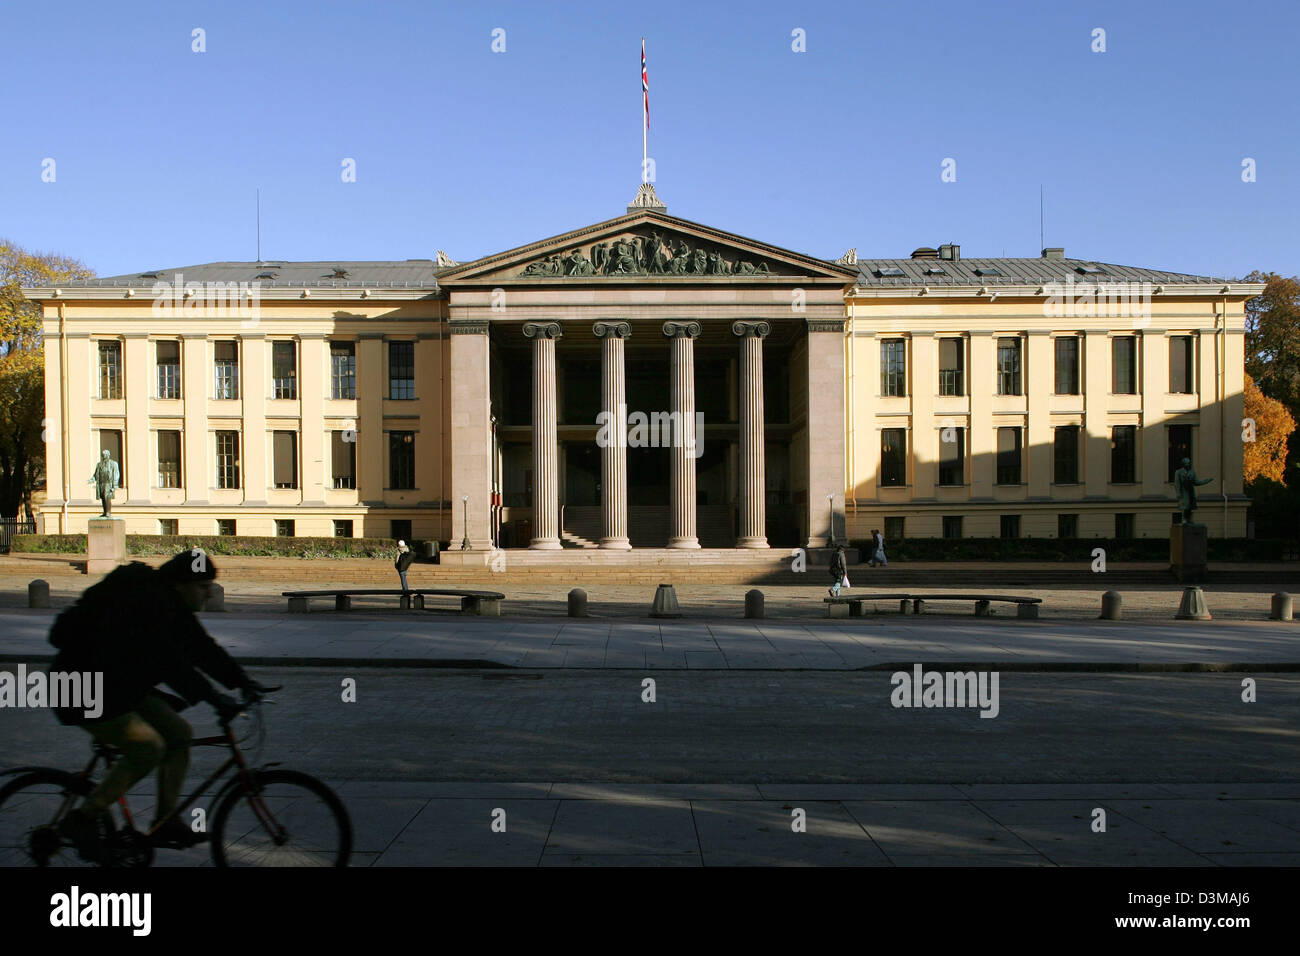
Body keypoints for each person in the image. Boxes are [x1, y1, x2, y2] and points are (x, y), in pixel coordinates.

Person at [47, 550, 264, 861]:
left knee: (178, 733)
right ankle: (83, 819)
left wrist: (242, 681)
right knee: (148, 747)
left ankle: (166, 821)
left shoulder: (173, 608)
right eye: (202, 586)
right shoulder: (148, 604)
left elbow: (202, 649)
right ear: (180, 585)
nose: (209, 592)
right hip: (80, 687)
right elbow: (169, 663)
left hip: (116, 685)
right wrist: (215, 698)